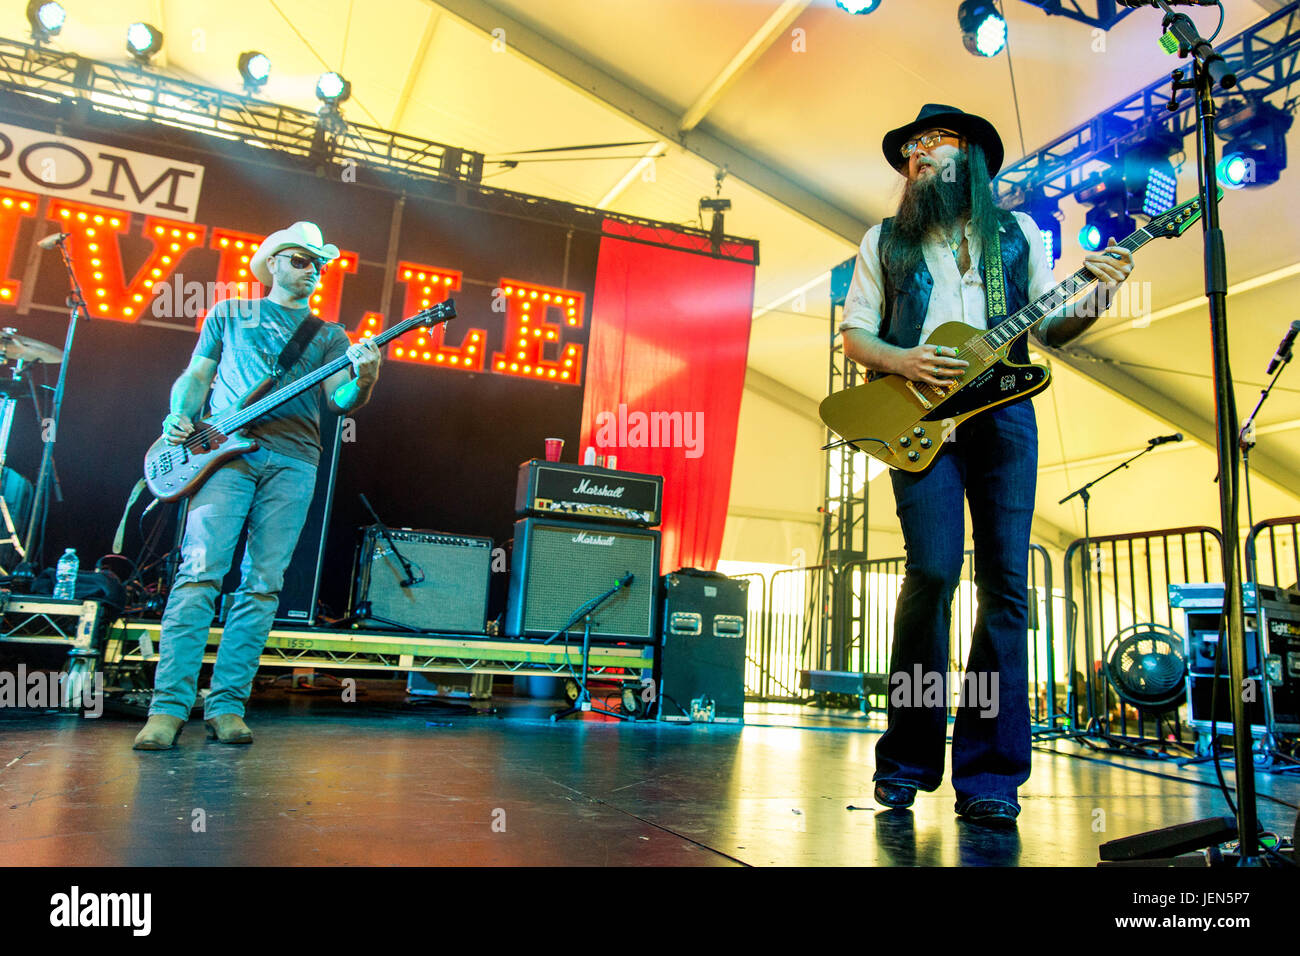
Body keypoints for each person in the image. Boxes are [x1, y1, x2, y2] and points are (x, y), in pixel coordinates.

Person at [838, 105, 1134, 824]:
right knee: (933, 574)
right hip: (921, 417)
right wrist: (900, 358)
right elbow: (854, 334)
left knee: (1006, 586)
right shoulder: (886, 242)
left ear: (969, 161)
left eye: (935, 149)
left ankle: (991, 779)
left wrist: (1098, 290)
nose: (920, 160)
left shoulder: (1018, 235)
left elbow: (1053, 328)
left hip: (1004, 417)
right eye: (912, 153)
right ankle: (906, 760)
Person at [133, 221, 383, 750]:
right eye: (301, 260)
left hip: (294, 461)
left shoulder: (330, 336)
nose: (312, 269)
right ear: (273, 262)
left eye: (318, 264)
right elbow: (197, 375)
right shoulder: (229, 312)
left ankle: (226, 706)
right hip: (223, 454)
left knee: (263, 583)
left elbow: (341, 403)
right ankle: (168, 709)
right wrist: (179, 414)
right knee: (200, 573)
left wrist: (366, 377)